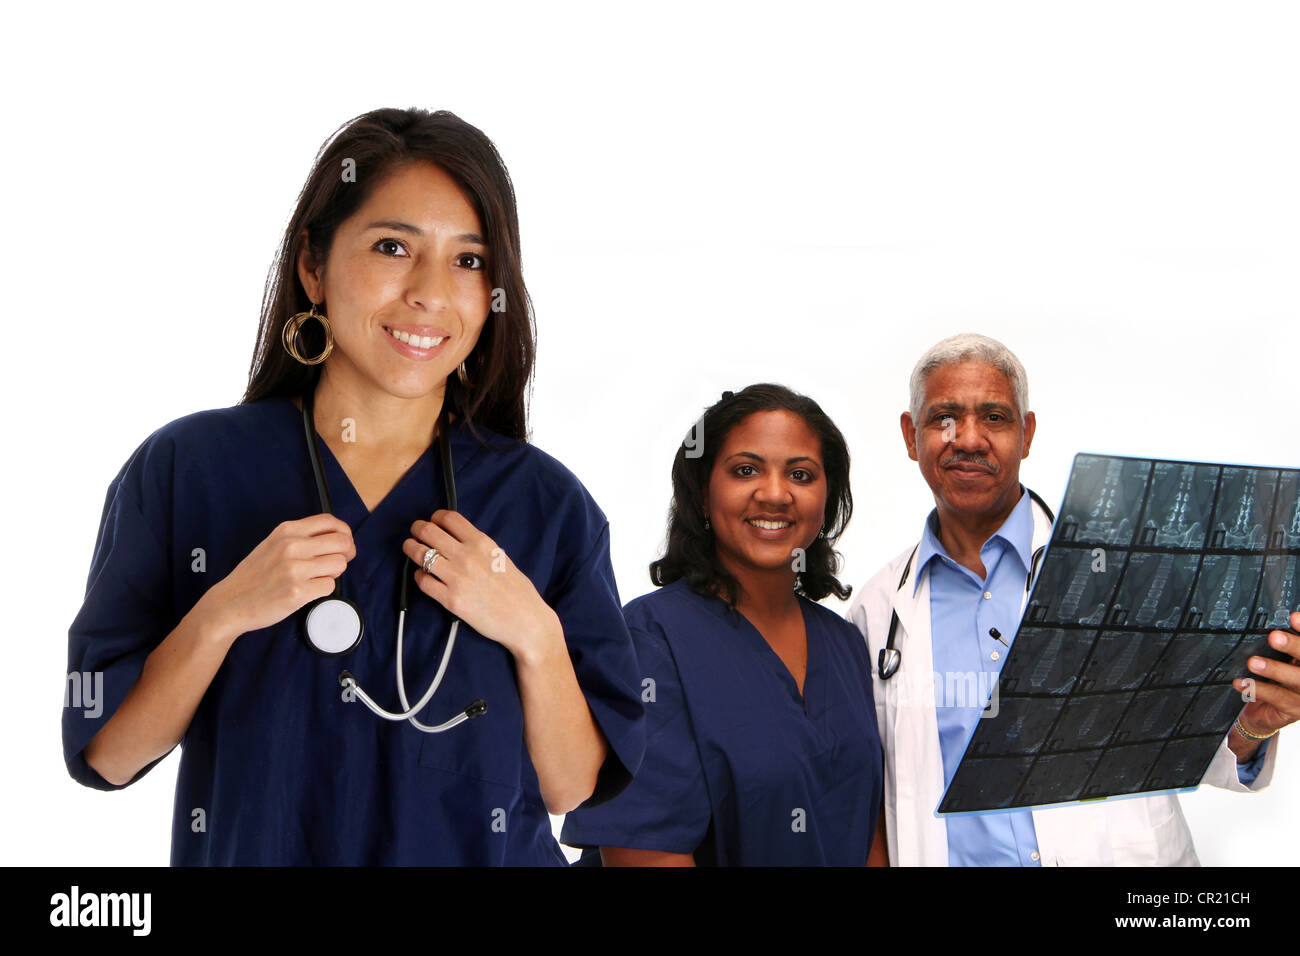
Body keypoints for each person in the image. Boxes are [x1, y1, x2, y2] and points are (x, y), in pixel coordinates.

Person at [62, 108, 644, 865]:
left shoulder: (546, 506)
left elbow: (570, 788)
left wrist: (532, 633)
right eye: (393, 247)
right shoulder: (187, 470)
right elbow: (106, 752)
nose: (431, 293)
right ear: (313, 266)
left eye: (469, 261)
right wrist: (222, 614)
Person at [848, 332, 1297, 866]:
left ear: (1027, 432)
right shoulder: (874, 615)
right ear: (909, 434)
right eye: (944, 417)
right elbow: (867, 797)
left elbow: (1195, 750)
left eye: (994, 417)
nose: (967, 438)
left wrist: (1253, 725)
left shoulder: (1131, 571)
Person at [561, 385, 885, 865]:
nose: (774, 493)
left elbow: (870, 835)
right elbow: (643, 853)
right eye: (745, 470)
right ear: (702, 490)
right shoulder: (651, 639)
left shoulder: (846, 644)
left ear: (827, 496)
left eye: (800, 474)